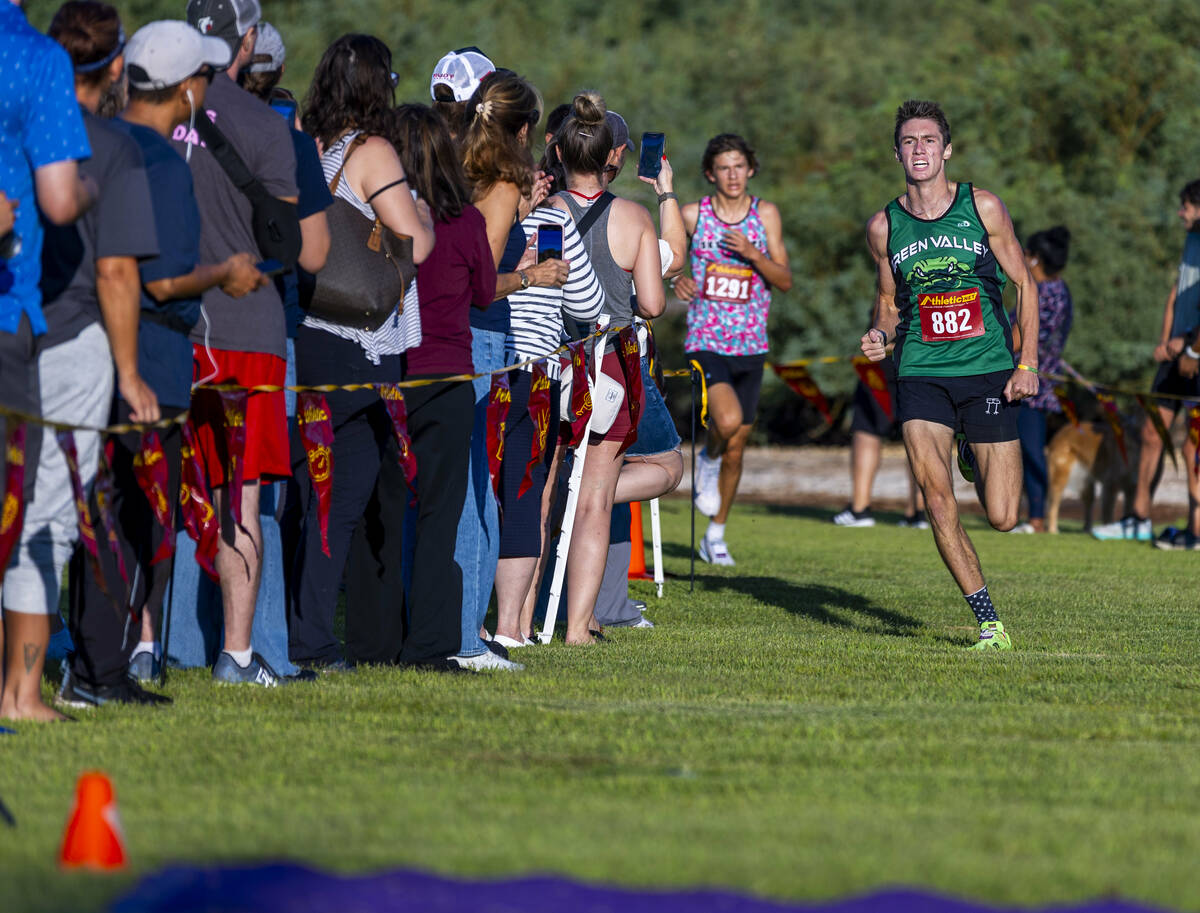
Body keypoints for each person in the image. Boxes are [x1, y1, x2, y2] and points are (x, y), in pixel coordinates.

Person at [62, 19, 268, 705]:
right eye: (204, 78)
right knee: (142, 519)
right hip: (151, 358)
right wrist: (223, 274)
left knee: (91, 512)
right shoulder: (160, 166)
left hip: (87, 350)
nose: (207, 89)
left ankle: (91, 662)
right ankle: (106, 670)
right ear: (185, 88)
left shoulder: (99, 145)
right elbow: (156, 281)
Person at [5, 0, 159, 711]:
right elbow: (117, 271)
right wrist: (130, 372)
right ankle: (23, 688)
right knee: (47, 515)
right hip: (61, 336)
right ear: (116, 64)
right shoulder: (112, 146)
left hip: (31, 322)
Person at [860, 99, 1039, 651]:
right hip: (921, 372)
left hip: (987, 371)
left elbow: (1024, 285)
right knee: (937, 499)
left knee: (1005, 516)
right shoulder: (884, 226)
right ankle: (989, 622)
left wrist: (1027, 363)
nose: (920, 150)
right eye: (910, 142)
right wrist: (881, 336)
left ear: (947, 149)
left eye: (929, 141)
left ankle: (971, 450)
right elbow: (889, 302)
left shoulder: (982, 207)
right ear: (897, 153)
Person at [286, 34, 434, 670]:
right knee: (342, 495)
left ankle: (294, 630)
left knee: (305, 493)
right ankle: (312, 638)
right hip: (358, 342)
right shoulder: (371, 150)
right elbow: (416, 245)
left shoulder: (309, 144)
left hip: (308, 329)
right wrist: (422, 212)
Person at [175, 0, 297, 686]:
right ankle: (238, 653)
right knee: (239, 497)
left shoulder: (151, 110)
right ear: (246, 40)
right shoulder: (260, 122)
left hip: (164, 321)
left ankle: (141, 643)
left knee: (159, 485)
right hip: (247, 329)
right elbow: (295, 246)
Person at [0, 0, 97, 722]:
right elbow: (60, 200)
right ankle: (22, 692)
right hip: (9, 315)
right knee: (16, 506)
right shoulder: (35, 57)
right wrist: (90, 183)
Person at [547, 91, 666, 644]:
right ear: (610, 158)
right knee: (594, 498)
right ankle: (578, 629)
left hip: (546, 361)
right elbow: (653, 305)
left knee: (537, 491)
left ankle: (518, 622)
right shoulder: (633, 216)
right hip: (607, 367)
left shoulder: (538, 210)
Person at [490, 156, 604, 649]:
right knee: (521, 492)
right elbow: (589, 306)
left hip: (487, 365)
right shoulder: (553, 219)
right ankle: (507, 627)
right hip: (530, 369)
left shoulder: (472, 210)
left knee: (484, 490)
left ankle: (480, 624)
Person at [673, 134, 792, 566]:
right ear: (710, 174)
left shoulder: (766, 215)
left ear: (751, 169)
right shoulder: (692, 215)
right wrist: (676, 279)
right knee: (726, 420)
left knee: (738, 443)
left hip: (751, 343)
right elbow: (664, 257)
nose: (733, 175)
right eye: (724, 167)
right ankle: (705, 457)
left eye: (739, 165)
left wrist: (752, 254)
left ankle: (716, 533)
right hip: (707, 339)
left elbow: (783, 279)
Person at [1093, 182, 1200, 548]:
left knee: (1194, 447)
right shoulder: (1190, 242)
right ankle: (1137, 518)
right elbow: (1176, 293)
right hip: (1176, 358)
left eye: (1185, 206)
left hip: (1195, 356)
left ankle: (1195, 531)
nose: (1180, 213)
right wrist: (1165, 340)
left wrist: (1191, 349)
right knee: (1152, 434)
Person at [1009, 226, 1072, 534]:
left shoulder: (1039, 292)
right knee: (1029, 449)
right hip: (1041, 380)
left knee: (1029, 450)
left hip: (1026, 380)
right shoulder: (1060, 291)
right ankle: (1031, 516)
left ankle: (1035, 518)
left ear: (1034, 259)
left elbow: (1017, 339)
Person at [831, 336, 926, 529]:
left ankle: (860, 510)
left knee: (867, 430)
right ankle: (918, 513)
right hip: (927, 357)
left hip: (887, 358)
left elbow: (885, 313)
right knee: (922, 430)